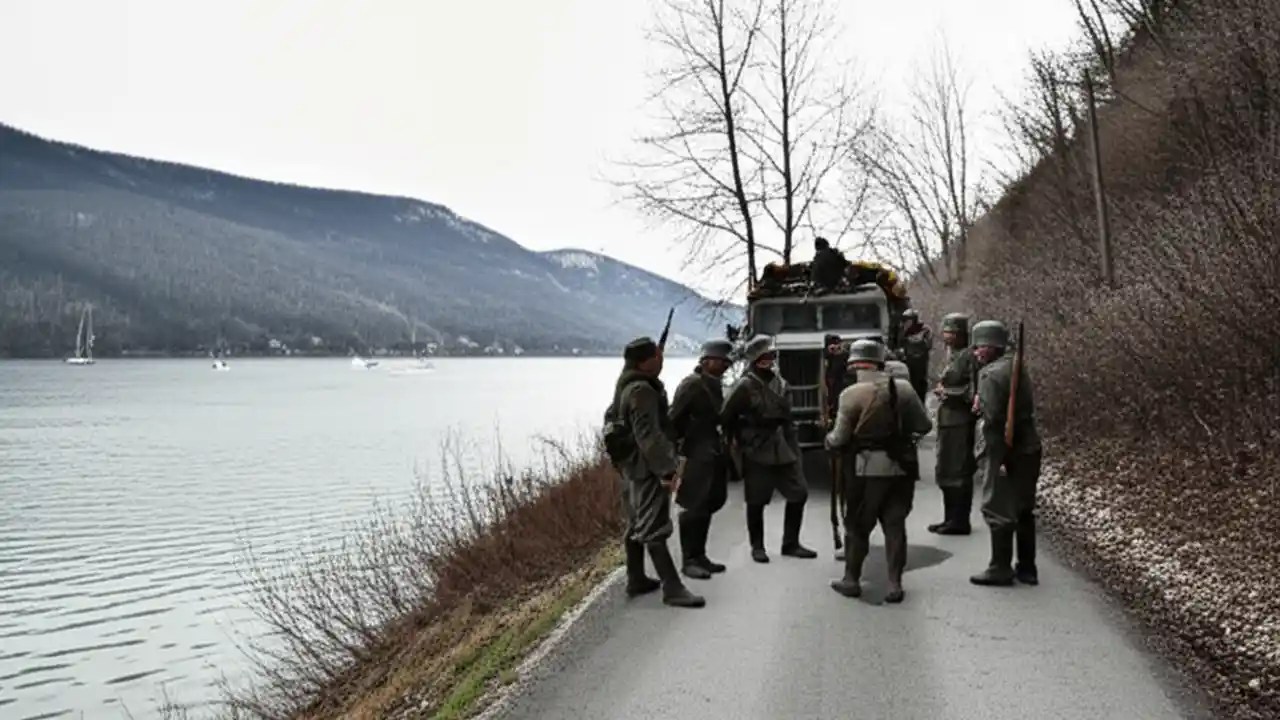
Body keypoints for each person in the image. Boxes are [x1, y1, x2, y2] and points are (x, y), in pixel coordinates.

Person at [825, 339, 933, 602]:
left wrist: (827, 439)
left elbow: (838, 439)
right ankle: (894, 584)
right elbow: (924, 426)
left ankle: (851, 579)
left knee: (858, 526)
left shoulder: (850, 395)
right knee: (895, 525)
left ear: (853, 364)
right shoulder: (904, 389)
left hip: (864, 471)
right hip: (901, 468)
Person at [608, 337, 705, 607]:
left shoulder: (625, 386)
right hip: (645, 468)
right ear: (646, 361)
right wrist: (667, 470)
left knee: (636, 522)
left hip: (630, 467)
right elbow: (648, 436)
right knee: (654, 527)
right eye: (657, 356)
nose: (661, 360)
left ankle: (636, 578)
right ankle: (672, 588)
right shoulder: (642, 390)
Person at [721, 335, 818, 563]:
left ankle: (791, 543)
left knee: (799, 493)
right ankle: (757, 547)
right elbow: (726, 416)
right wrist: (739, 439)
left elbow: (788, 419)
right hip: (756, 448)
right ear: (755, 360)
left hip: (783, 446)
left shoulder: (781, 383)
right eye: (763, 357)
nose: (768, 360)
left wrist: (795, 449)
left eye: (770, 356)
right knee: (756, 499)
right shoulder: (744, 385)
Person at [968, 321, 1043, 587]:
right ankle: (1027, 567)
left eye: (980, 346)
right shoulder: (1017, 366)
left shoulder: (990, 375)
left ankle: (1000, 567)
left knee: (997, 507)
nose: (976, 352)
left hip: (1002, 448)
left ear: (992, 347)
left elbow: (991, 420)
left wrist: (988, 456)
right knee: (1024, 507)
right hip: (1029, 447)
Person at [669, 339, 734, 580]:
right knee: (693, 506)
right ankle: (689, 560)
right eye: (721, 361)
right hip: (696, 454)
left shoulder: (714, 384)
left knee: (708, 504)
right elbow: (673, 419)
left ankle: (700, 555)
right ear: (706, 361)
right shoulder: (691, 385)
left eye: (727, 361)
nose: (726, 365)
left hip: (713, 453)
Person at [929, 313, 979, 535]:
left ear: (959, 333)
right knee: (945, 469)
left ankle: (960, 520)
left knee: (959, 470)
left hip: (961, 420)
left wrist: (947, 393)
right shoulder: (952, 354)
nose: (946, 336)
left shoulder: (970, 357)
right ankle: (949, 518)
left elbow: (973, 391)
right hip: (947, 420)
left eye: (950, 332)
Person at [897, 309, 932, 401]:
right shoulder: (903, 331)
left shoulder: (925, 330)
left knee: (920, 387)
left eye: (908, 320)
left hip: (920, 364)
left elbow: (927, 344)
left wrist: (911, 339)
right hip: (908, 363)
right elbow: (899, 345)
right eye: (905, 320)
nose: (907, 322)